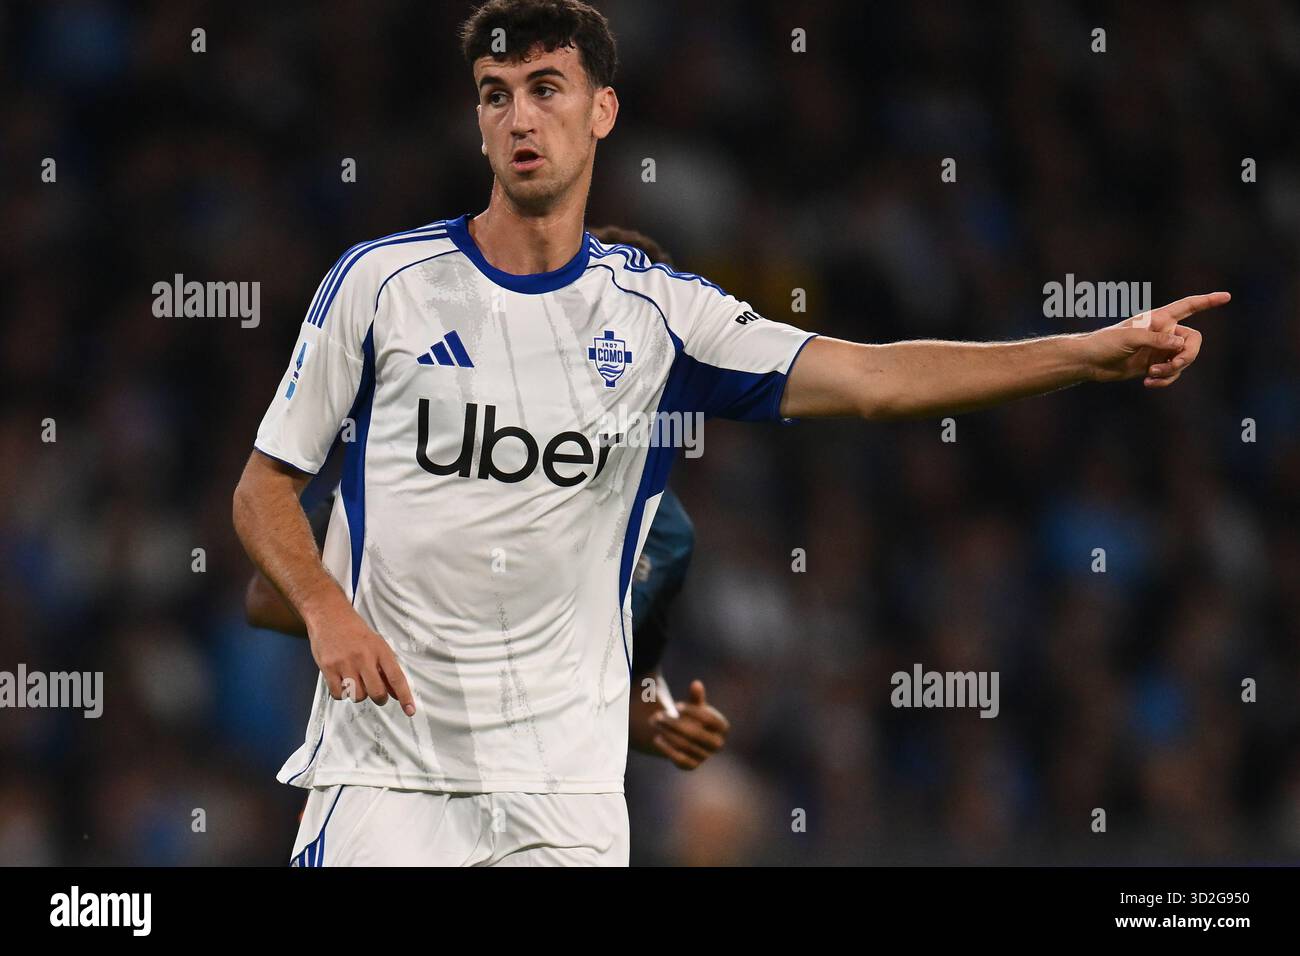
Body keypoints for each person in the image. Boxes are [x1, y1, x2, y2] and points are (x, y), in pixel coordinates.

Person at [231, 0, 1228, 867]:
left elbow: (875, 378)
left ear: (602, 111)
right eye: (496, 94)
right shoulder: (384, 286)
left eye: (546, 88)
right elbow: (262, 499)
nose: (520, 116)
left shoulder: (664, 333)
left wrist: (1084, 352)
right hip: (390, 786)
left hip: (565, 806)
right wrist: (327, 607)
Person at [243, 227, 730, 777]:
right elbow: (266, 598)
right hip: (394, 767)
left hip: (543, 793)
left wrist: (666, 721)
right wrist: (403, 621)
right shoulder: (429, 466)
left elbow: (636, 682)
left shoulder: (664, 535)